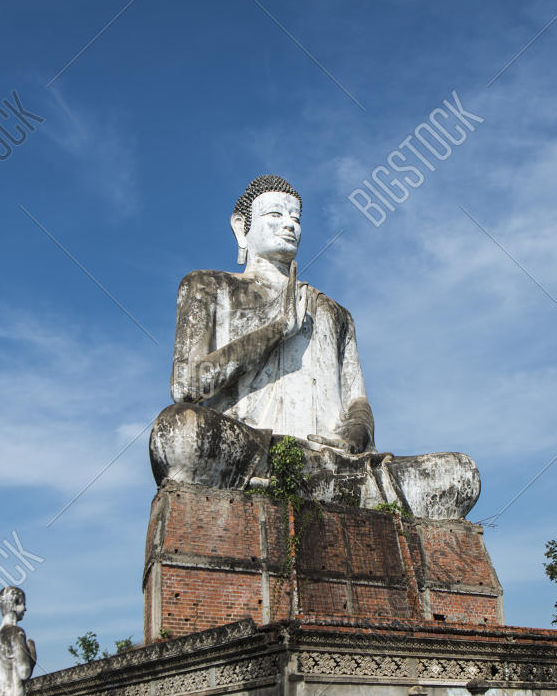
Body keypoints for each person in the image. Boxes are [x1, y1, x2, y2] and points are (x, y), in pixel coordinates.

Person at [149, 175, 481, 520]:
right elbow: (186, 386)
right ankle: (309, 483)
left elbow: (357, 401)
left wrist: (355, 435)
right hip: (258, 451)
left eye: (296, 218)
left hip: (335, 464)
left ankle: (328, 484)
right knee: (178, 431)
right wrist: (277, 329)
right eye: (275, 215)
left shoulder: (333, 312)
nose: (289, 225)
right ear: (240, 227)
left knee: (459, 473)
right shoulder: (209, 286)